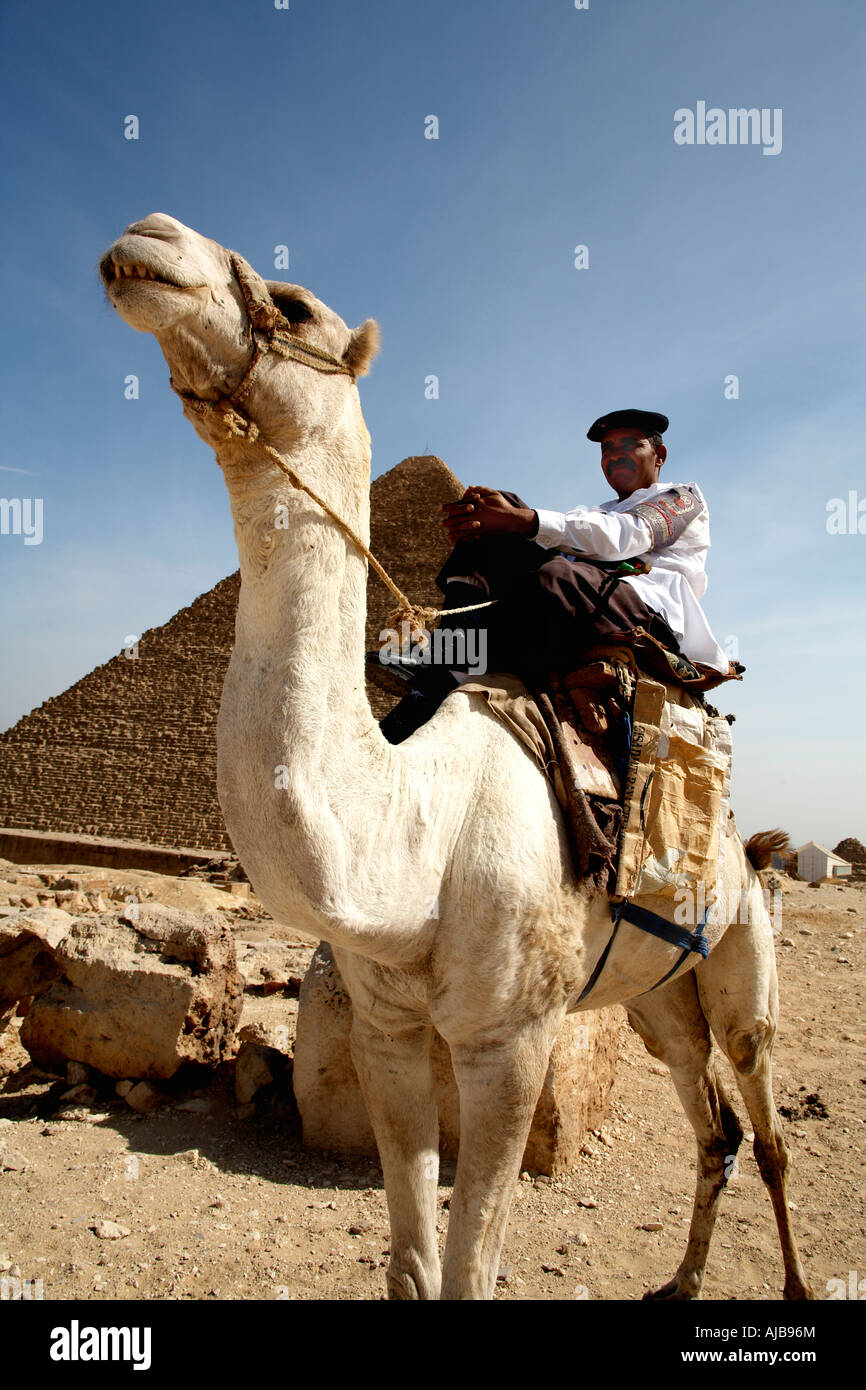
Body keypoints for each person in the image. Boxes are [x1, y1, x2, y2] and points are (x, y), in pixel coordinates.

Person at [370, 409, 730, 744]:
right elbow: (569, 537)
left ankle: (449, 670)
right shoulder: (594, 512)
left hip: (648, 614)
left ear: (659, 455)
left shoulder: (682, 499)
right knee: (499, 527)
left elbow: (623, 536)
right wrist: (497, 520)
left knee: (552, 572)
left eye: (629, 445)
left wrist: (523, 520)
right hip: (588, 596)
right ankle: (447, 663)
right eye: (607, 449)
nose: (614, 455)